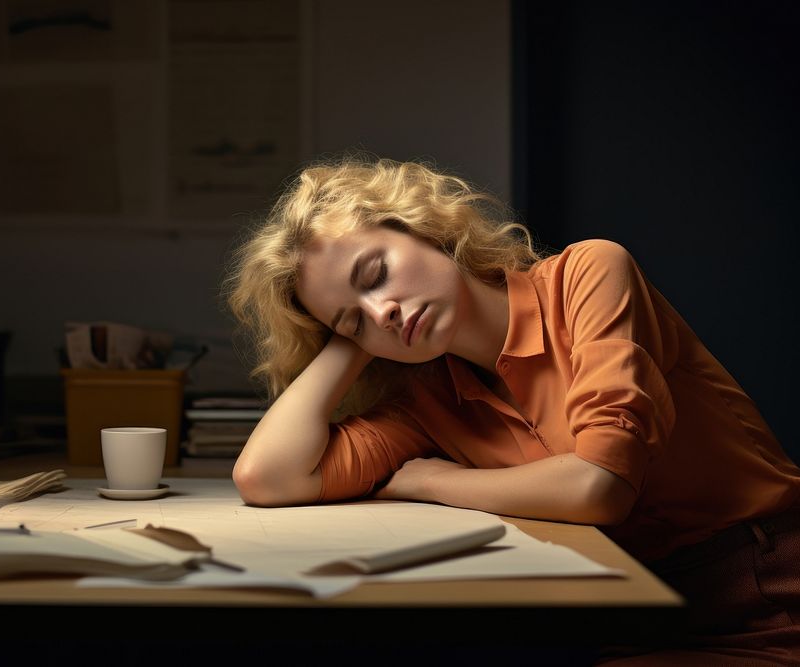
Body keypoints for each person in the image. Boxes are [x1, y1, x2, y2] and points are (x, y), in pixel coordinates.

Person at [223, 156, 800, 664]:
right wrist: (350, 341)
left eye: (376, 274)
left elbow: (601, 487)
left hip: (765, 593)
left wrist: (438, 481)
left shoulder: (588, 274)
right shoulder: (427, 399)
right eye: (354, 320)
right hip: (628, 614)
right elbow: (268, 478)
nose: (384, 312)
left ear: (425, 231)